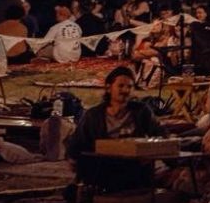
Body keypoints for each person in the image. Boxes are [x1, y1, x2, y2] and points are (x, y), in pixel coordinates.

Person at [66, 66, 162, 194]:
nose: (125, 90)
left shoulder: (141, 111)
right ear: (108, 87)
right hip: (103, 166)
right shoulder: (94, 115)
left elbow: (159, 133)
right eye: (121, 86)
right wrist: (75, 162)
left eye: (129, 87)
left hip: (134, 165)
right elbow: (77, 143)